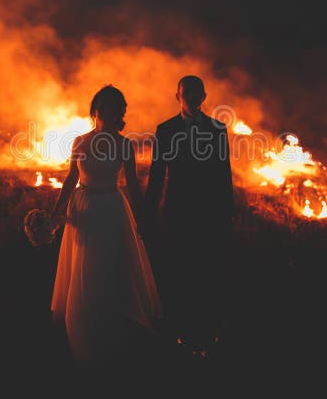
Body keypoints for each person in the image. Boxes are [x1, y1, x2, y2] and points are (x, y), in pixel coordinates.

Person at [49, 85, 162, 367]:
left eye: (113, 107)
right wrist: (55, 213)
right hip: (84, 206)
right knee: (83, 267)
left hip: (111, 208)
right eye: (102, 105)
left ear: (119, 113)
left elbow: (133, 187)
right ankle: (83, 321)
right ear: (95, 109)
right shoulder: (80, 141)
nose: (106, 111)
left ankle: (112, 325)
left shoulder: (125, 145)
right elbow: (70, 177)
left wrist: (143, 218)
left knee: (110, 265)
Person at [145, 75, 235, 358]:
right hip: (178, 211)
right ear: (178, 96)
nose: (192, 99)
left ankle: (208, 332)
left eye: (197, 94)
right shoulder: (166, 130)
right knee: (180, 270)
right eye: (187, 94)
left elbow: (224, 173)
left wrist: (227, 210)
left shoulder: (217, 128)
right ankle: (181, 332)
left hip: (208, 212)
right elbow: (157, 173)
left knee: (208, 271)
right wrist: (148, 213)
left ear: (204, 97)